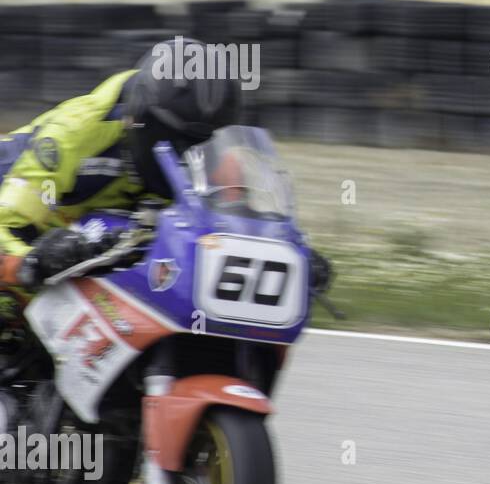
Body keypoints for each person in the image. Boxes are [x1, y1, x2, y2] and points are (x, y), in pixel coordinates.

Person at [0, 38, 329, 297]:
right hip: (20, 220)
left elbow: (235, 226)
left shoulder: (218, 156)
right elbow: (7, 223)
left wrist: (289, 255)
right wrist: (32, 260)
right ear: (142, 120)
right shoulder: (75, 133)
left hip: (89, 241)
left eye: (204, 144)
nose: (191, 157)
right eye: (179, 143)